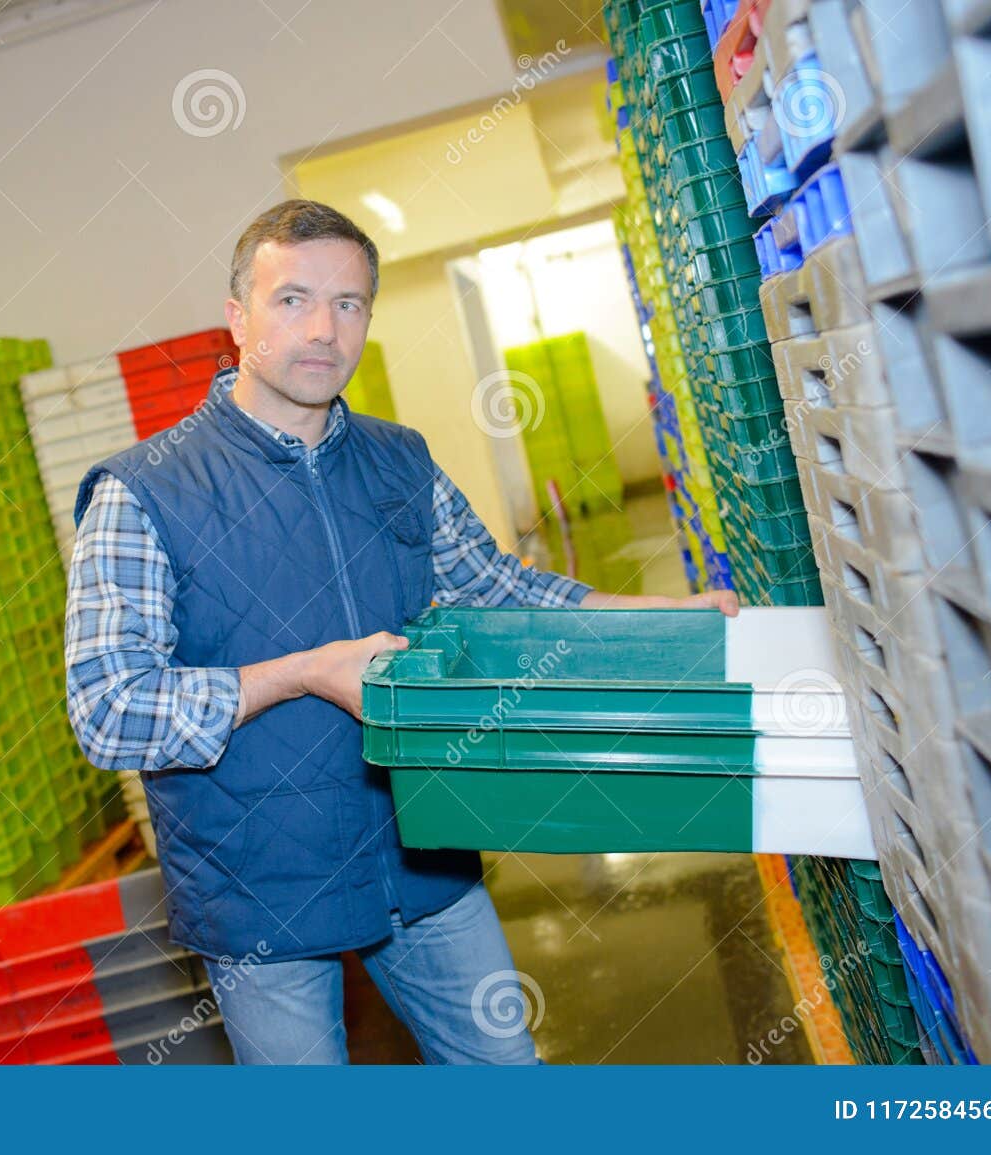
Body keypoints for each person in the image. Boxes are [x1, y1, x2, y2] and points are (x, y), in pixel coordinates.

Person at [65, 199, 738, 1065]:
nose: (323, 330)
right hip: (258, 888)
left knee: (505, 1073)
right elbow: (109, 709)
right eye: (292, 300)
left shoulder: (398, 459)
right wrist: (304, 671)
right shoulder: (146, 490)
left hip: (419, 849)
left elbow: (498, 592)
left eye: (349, 304)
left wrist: (661, 615)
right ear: (237, 319)